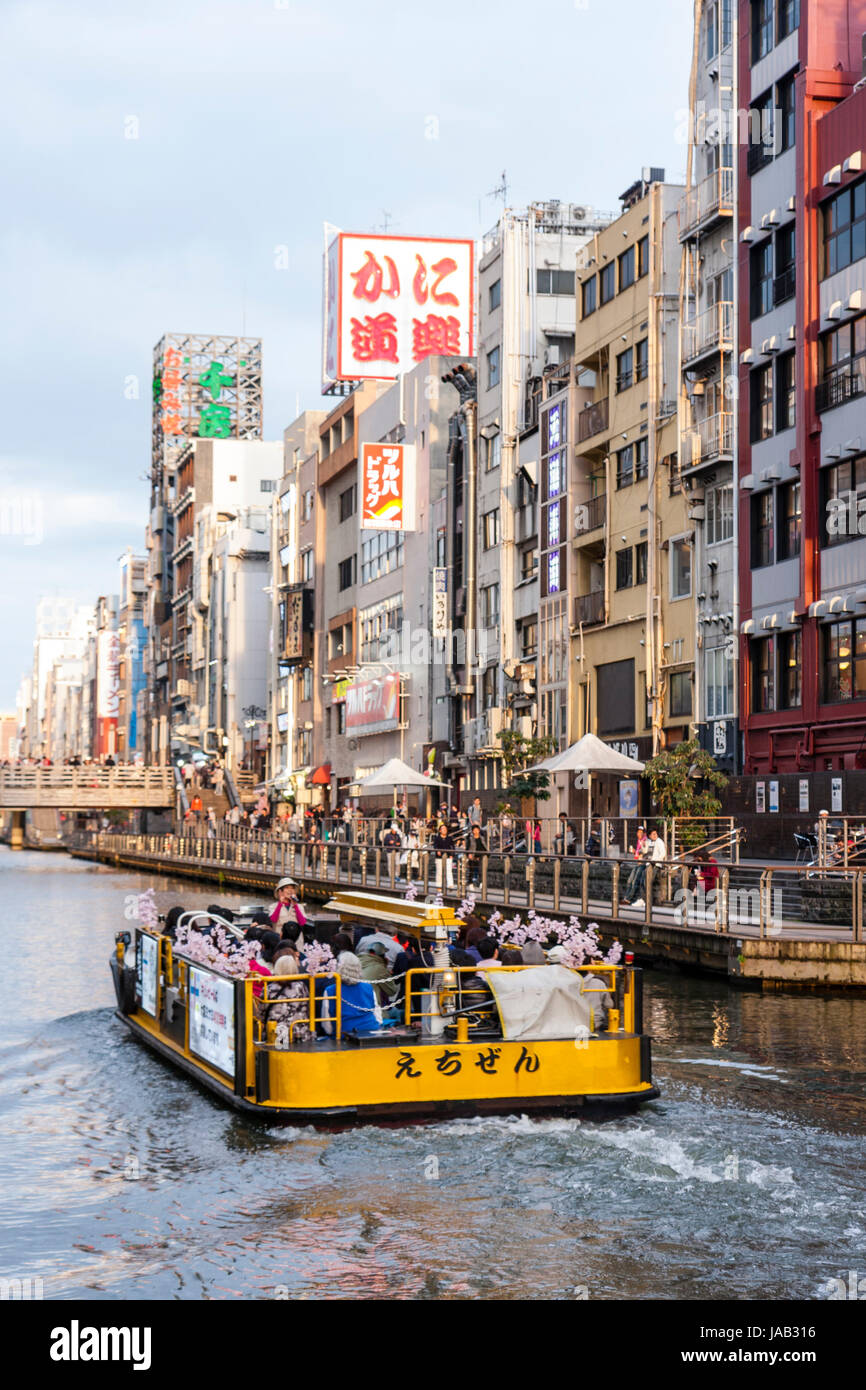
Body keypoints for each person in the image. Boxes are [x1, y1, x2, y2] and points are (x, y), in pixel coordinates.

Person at [322, 953, 382, 1036]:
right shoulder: (368, 987)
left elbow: (327, 1024)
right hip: (371, 1031)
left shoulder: (330, 990)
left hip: (343, 1034)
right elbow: (378, 1016)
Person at [267, 940, 311, 1047]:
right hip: (300, 1033)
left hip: (276, 1035)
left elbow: (262, 1011)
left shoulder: (269, 987)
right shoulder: (302, 986)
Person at [625, 828, 666, 908]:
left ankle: (643, 900)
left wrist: (655, 861)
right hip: (648, 864)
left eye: (656, 834)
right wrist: (643, 845)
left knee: (645, 880)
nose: (655, 835)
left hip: (655, 864)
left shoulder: (659, 842)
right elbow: (645, 852)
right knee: (640, 877)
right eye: (653, 834)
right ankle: (640, 899)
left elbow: (663, 853)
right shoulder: (649, 841)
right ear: (649, 836)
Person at [360, 940, 399, 1008]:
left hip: (356, 1006)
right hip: (373, 1009)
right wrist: (384, 967)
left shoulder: (357, 962)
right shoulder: (380, 968)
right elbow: (392, 991)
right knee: (399, 1013)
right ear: (382, 955)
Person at [432, 821, 456, 890]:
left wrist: (452, 854)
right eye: (442, 829)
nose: (444, 830)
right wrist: (437, 851)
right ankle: (438, 886)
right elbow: (435, 846)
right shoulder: (437, 838)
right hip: (439, 857)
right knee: (439, 872)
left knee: (449, 871)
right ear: (440, 831)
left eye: (445, 829)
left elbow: (452, 847)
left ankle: (450, 885)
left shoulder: (449, 838)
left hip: (448, 856)